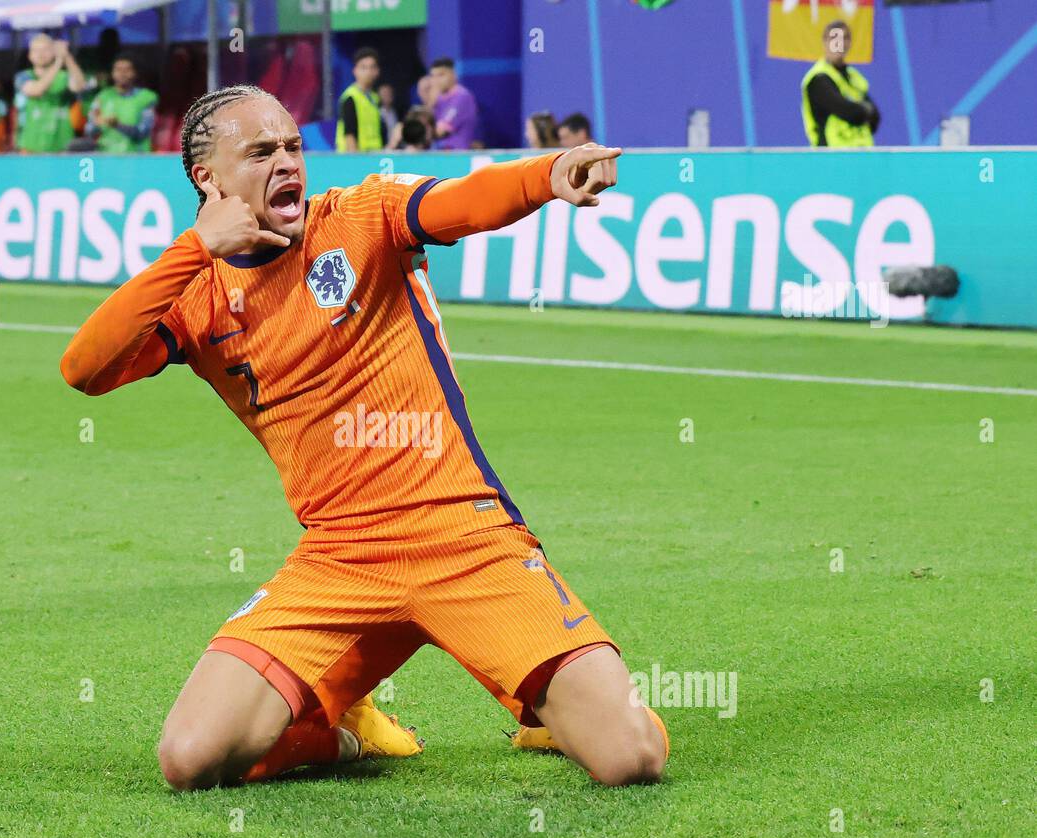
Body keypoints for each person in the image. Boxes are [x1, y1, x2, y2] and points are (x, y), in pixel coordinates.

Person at [60, 85, 668, 790]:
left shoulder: (363, 215)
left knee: (632, 759)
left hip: (464, 539)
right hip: (339, 562)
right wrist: (195, 249)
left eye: (293, 146)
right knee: (190, 758)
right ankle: (338, 733)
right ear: (209, 179)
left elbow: (466, 202)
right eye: (260, 152)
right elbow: (84, 369)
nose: (287, 163)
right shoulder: (196, 297)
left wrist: (546, 175)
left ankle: (550, 713)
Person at [802, 20, 879, 147]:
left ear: (849, 43)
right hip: (832, 156)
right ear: (824, 42)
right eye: (833, 38)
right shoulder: (818, 78)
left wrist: (861, 111)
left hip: (863, 153)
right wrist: (863, 109)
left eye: (844, 38)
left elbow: (876, 117)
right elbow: (848, 111)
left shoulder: (854, 77)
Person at [14, 34, 87, 153]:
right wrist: (58, 61)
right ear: (30, 55)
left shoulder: (63, 77)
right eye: (36, 50)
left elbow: (79, 86)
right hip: (31, 147)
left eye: (45, 50)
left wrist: (66, 56)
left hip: (61, 146)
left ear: (53, 52)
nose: (41, 54)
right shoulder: (23, 77)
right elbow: (37, 90)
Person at [86, 53, 157, 153]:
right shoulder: (102, 97)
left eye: (127, 70)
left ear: (135, 72)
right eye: (118, 69)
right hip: (106, 159)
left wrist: (117, 125)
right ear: (112, 73)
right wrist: (96, 125)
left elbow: (143, 132)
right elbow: (89, 130)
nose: (122, 74)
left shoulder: (146, 97)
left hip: (136, 159)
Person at [336, 47, 384, 153]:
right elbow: (349, 135)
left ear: (377, 71)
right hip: (357, 158)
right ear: (355, 71)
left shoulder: (375, 98)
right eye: (363, 67)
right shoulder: (350, 97)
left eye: (372, 67)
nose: (368, 72)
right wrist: (356, 162)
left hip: (374, 156)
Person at [428, 57, 479, 150]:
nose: (436, 80)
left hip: (457, 156)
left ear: (453, 75)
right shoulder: (438, 98)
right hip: (440, 154)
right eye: (433, 76)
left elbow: (440, 131)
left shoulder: (462, 96)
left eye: (441, 75)